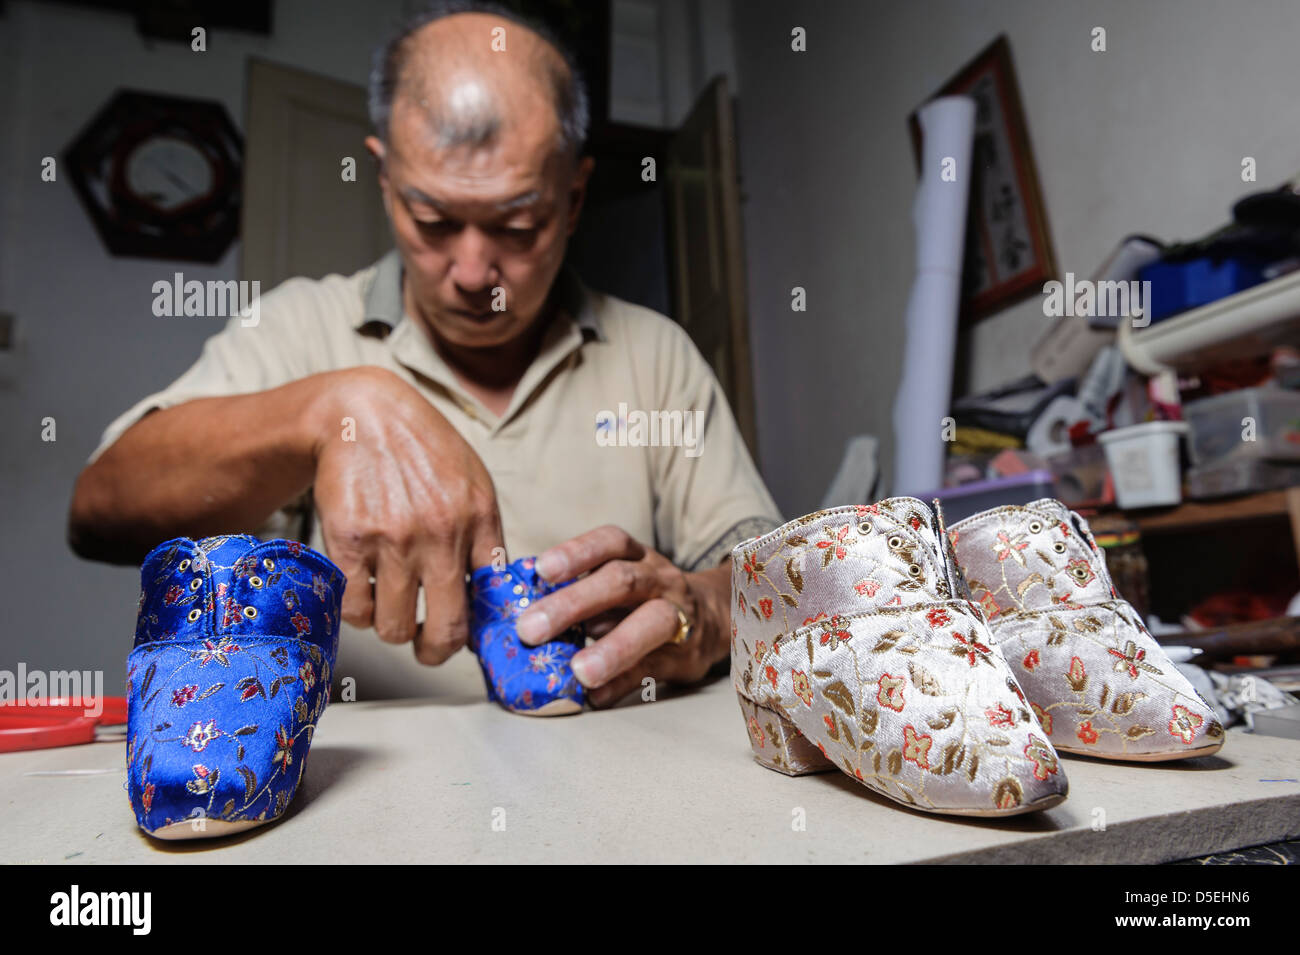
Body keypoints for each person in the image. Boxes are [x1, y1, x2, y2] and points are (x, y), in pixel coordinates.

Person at [68, 1, 781, 706]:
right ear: (384, 179)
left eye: (519, 223)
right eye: (433, 220)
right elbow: (99, 509)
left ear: (574, 197)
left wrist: (704, 611)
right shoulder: (298, 328)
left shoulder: (655, 356)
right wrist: (326, 411)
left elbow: (770, 576)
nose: (473, 272)